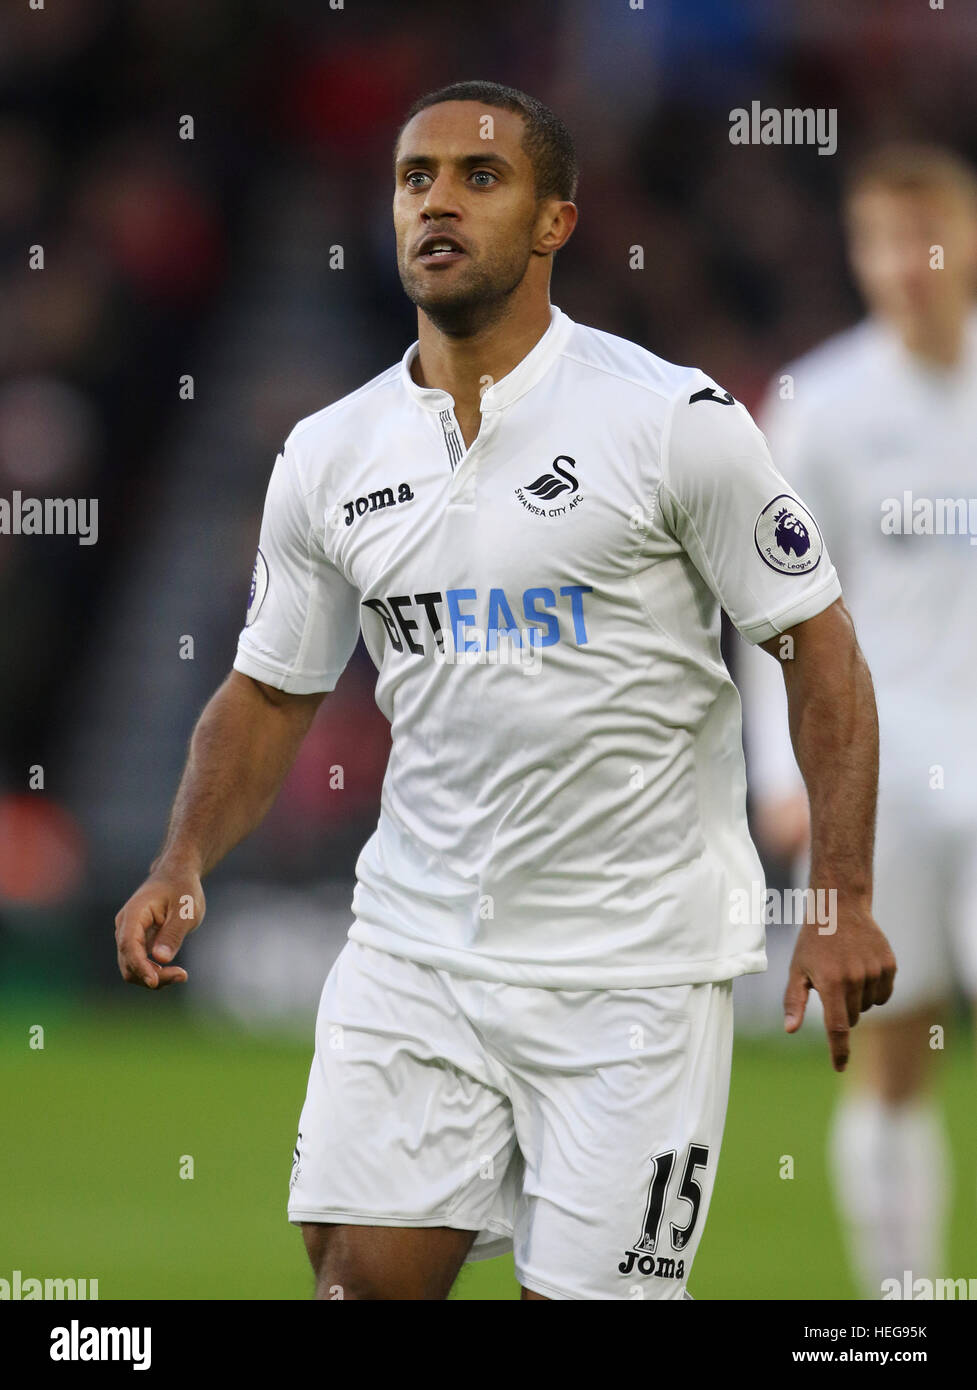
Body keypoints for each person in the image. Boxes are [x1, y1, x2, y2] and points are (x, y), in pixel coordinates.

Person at [114, 80, 895, 1301]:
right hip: (416, 948)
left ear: (553, 222)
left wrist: (837, 893)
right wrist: (181, 860)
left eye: (479, 177)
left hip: (635, 971)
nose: (437, 200)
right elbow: (269, 690)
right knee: (357, 1285)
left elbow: (821, 652)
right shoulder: (329, 453)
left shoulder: (671, 423)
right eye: (414, 176)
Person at [736, 143, 977, 1298]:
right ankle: (905, 1304)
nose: (907, 264)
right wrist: (777, 766)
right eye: (881, 240)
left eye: (925, 235)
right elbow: (766, 606)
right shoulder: (817, 404)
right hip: (879, 769)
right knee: (891, 1055)